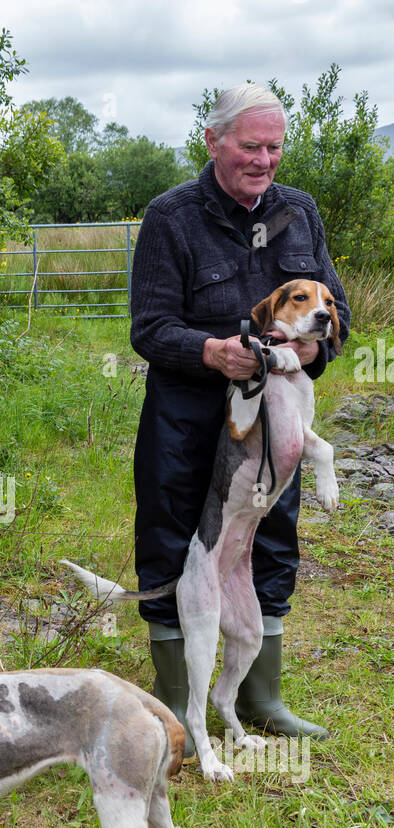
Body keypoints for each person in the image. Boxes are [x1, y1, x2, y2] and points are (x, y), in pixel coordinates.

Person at [129, 83, 349, 750]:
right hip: (188, 425)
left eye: (274, 146)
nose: (263, 159)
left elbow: (337, 314)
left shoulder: (299, 212)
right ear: (213, 141)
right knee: (171, 545)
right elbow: (149, 327)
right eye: (250, 145)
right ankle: (172, 716)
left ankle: (261, 698)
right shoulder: (171, 218)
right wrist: (208, 351)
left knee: (272, 543)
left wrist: (316, 346)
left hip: (273, 430)